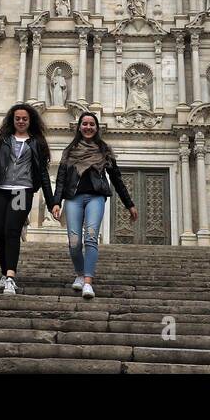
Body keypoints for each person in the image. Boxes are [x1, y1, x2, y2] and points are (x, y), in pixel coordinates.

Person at [52, 111, 136, 299]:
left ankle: (88, 282)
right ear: (79, 127)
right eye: (85, 124)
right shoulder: (70, 151)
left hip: (96, 198)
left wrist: (129, 204)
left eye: (92, 124)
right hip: (73, 198)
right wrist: (56, 202)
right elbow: (61, 179)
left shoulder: (104, 151)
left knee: (91, 238)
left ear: (97, 128)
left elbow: (117, 179)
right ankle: (80, 274)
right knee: (74, 242)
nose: (88, 127)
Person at [0, 103, 58, 295]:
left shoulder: (36, 143)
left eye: (24, 118)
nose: (21, 121)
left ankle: (10, 277)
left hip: (22, 191)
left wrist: (52, 201)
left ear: (30, 121)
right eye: (18, 118)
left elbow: (43, 174)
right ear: (12, 120)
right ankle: (4, 273)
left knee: (12, 231)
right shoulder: (3, 140)